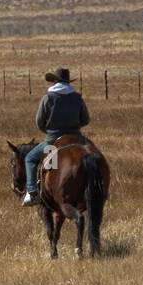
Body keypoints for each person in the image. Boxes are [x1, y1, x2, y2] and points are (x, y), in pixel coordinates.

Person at [21, 67, 90, 205]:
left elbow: (39, 122)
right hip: (76, 138)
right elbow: (86, 119)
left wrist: (49, 132)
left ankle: (32, 192)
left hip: (53, 140)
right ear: (68, 82)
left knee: (30, 158)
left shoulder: (47, 98)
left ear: (54, 81)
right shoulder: (77, 97)